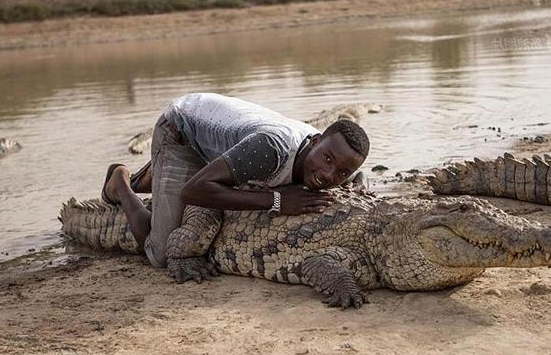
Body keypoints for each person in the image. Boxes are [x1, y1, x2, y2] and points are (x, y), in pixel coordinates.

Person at [102, 92, 370, 271]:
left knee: (233, 172)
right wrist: (277, 201)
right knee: (159, 253)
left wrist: (357, 183)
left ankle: (159, 173)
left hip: (234, 148)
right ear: (315, 142)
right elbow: (192, 192)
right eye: (327, 160)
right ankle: (121, 181)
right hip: (181, 131)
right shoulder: (271, 150)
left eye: (341, 173)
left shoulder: (335, 152)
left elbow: (356, 175)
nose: (328, 175)